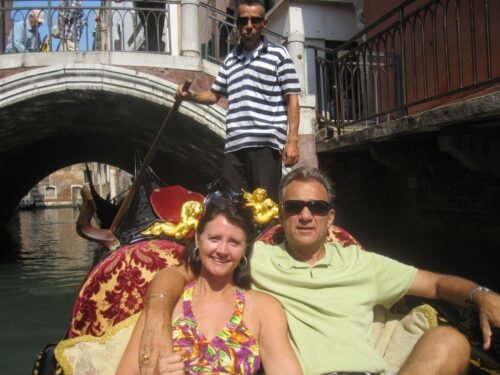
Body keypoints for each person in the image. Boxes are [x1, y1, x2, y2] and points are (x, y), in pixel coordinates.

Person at [138, 165, 500, 375]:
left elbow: (436, 284)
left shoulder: (361, 262)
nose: (306, 214)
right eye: (295, 206)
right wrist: (156, 311)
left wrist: (479, 294)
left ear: (331, 218)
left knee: (450, 340)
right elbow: (182, 271)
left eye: (317, 206)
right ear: (281, 215)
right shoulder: (256, 257)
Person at [116, 199, 302, 374]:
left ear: (245, 250)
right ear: (198, 239)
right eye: (214, 238)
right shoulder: (166, 305)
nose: (222, 250)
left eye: (234, 242)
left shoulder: (263, 309)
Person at [175, 0, 301, 202]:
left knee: (264, 209)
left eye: (255, 20)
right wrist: (189, 97)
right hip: (234, 146)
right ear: (237, 24)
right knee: (235, 209)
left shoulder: (279, 55)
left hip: (266, 144)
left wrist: (293, 140)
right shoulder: (230, 60)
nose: (249, 25)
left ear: (264, 23)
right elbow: (214, 95)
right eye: (243, 20)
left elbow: (292, 97)